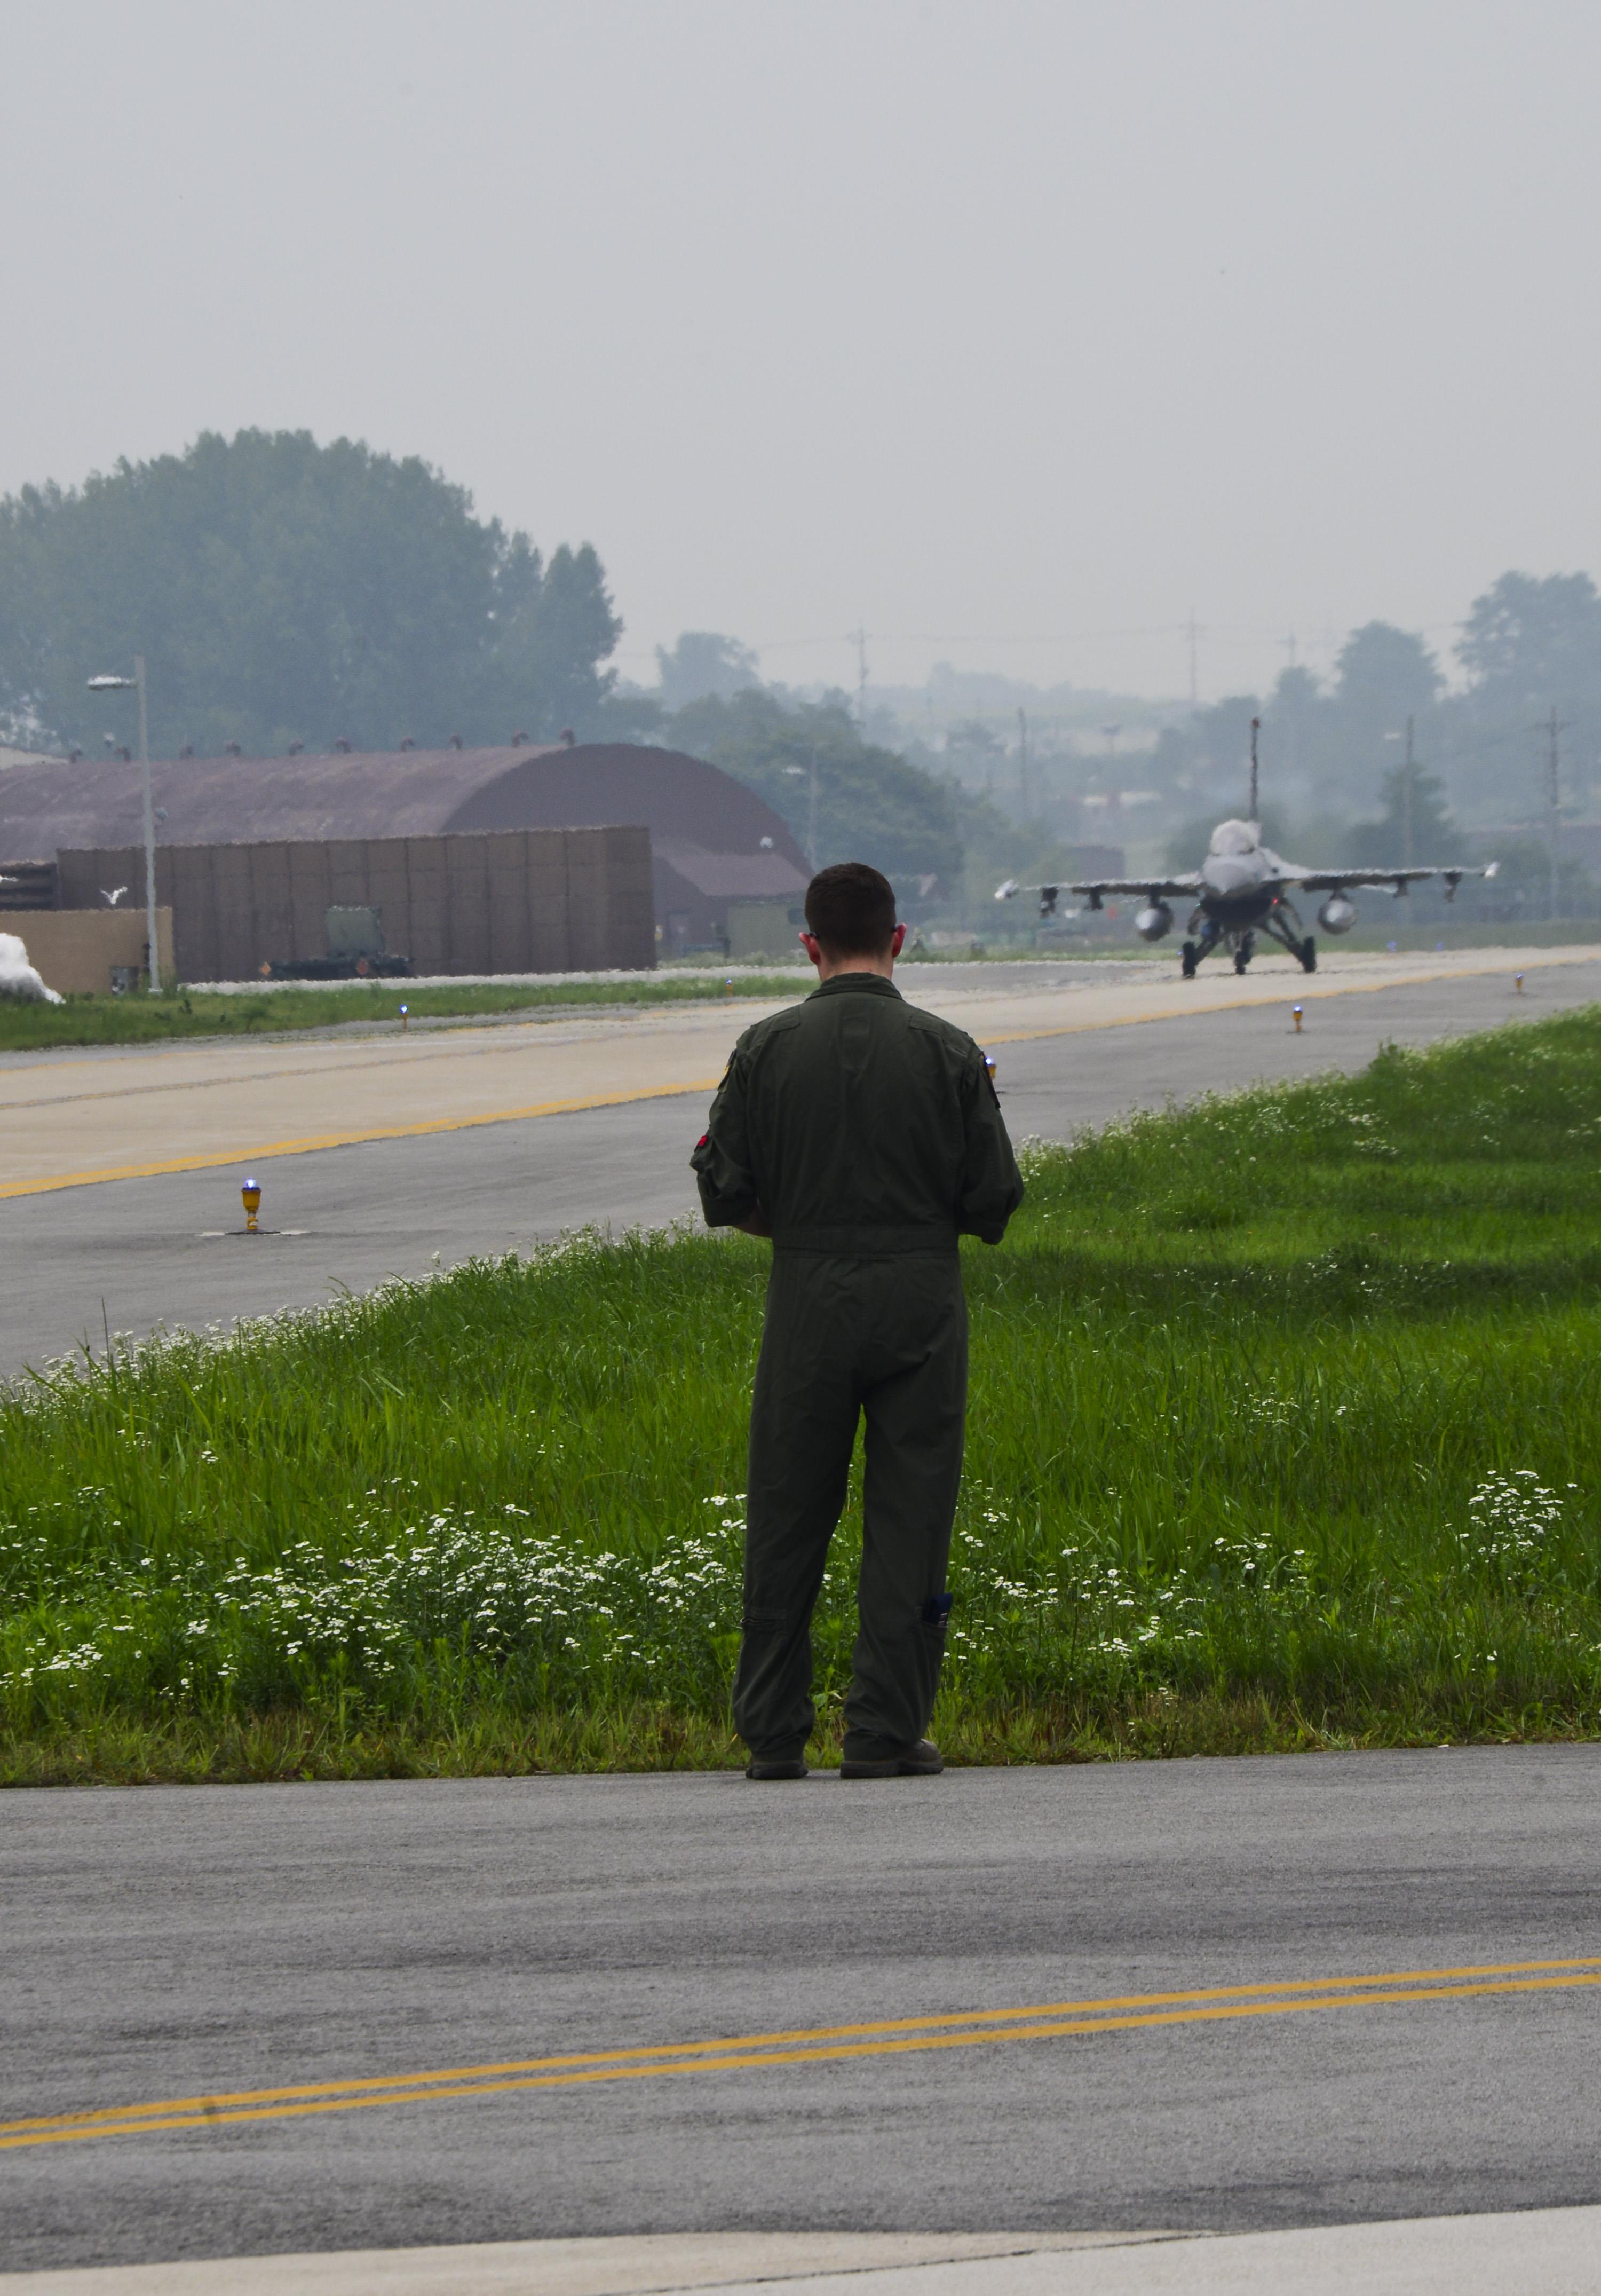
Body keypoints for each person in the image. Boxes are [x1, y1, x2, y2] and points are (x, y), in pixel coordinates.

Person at [691, 861, 1024, 1781]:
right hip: (921, 1294)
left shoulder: (763, 1046)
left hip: (806, 1292)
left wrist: (799, 1226)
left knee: (789, 1509)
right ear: (899, 939)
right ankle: (882, 1727)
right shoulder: (949, 1049)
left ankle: (771, 1730)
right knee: (911, 1515)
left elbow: (725, 1192)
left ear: (809, 944)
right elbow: (992, 1198)